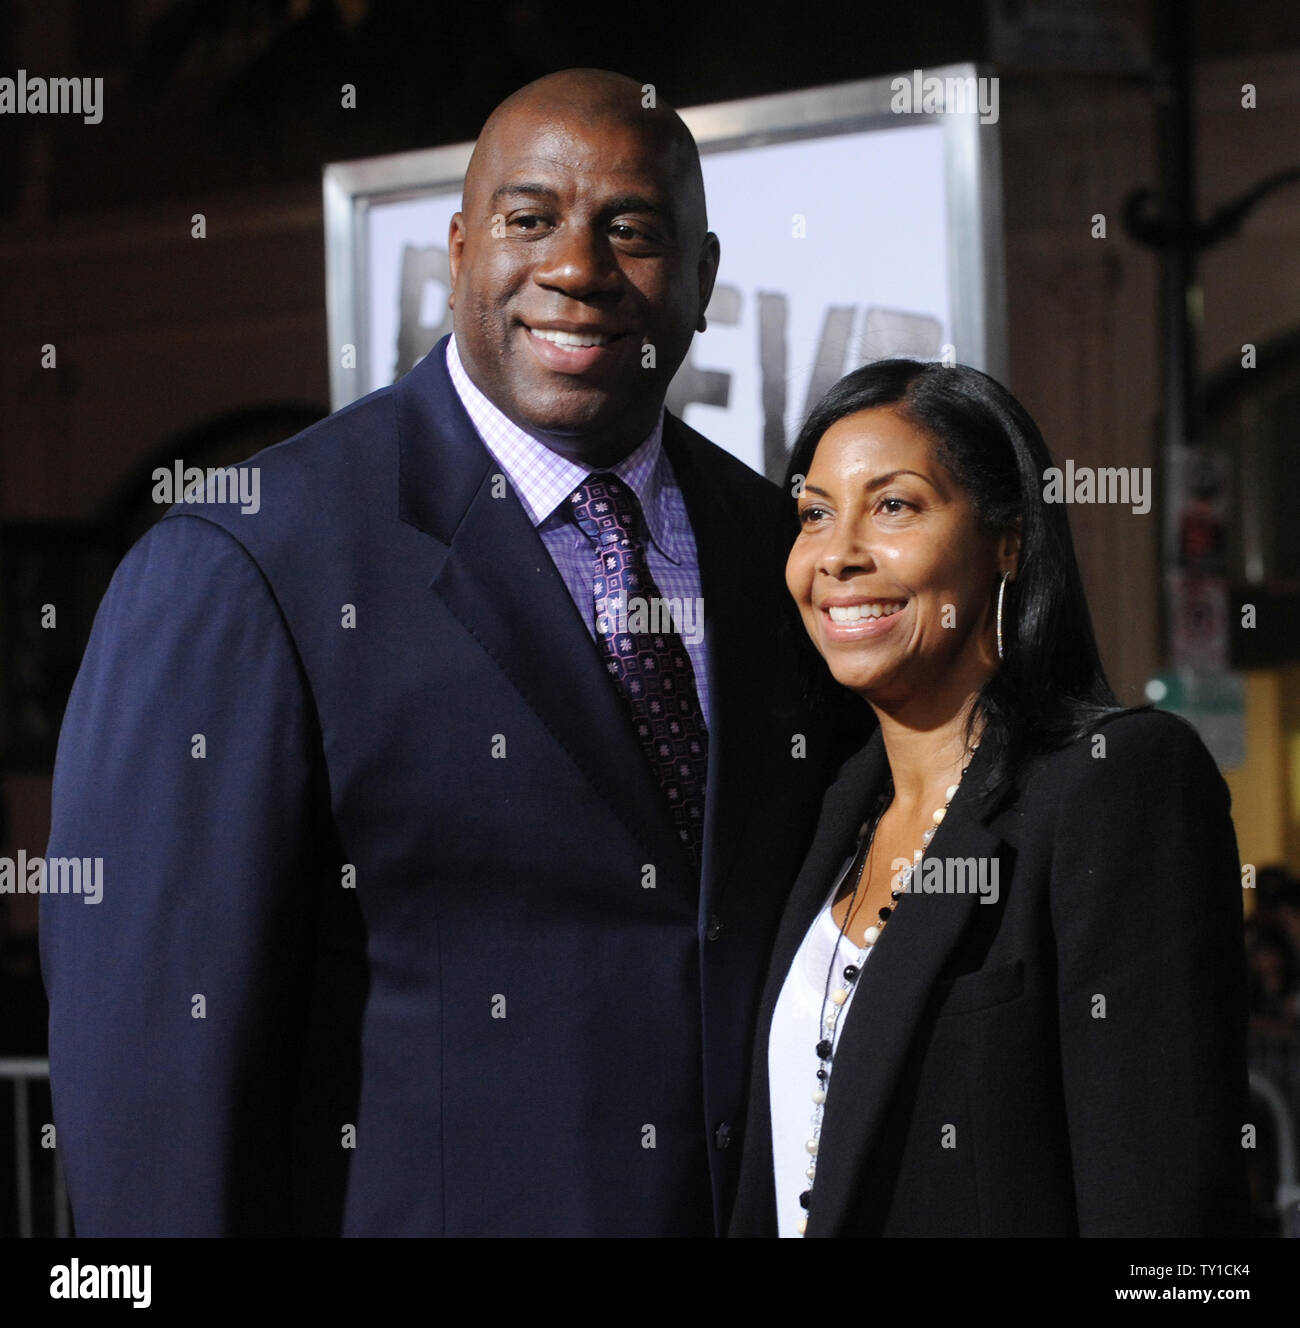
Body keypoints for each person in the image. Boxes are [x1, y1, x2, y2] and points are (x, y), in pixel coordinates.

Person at [39, 69, 864, 1237]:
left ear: (703, 279)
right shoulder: (250, 561)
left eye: (632, 230)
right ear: (459, 248)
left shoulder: (776, 550)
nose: (576, 267)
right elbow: (153, 1081)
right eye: (530, 220)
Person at [728, 359, 1252, 1237]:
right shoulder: (827, 816)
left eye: (893, 505)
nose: (839, 554)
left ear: (1009, 537)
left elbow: (1172, 1215)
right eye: (815, 514)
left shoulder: (1114, 782)